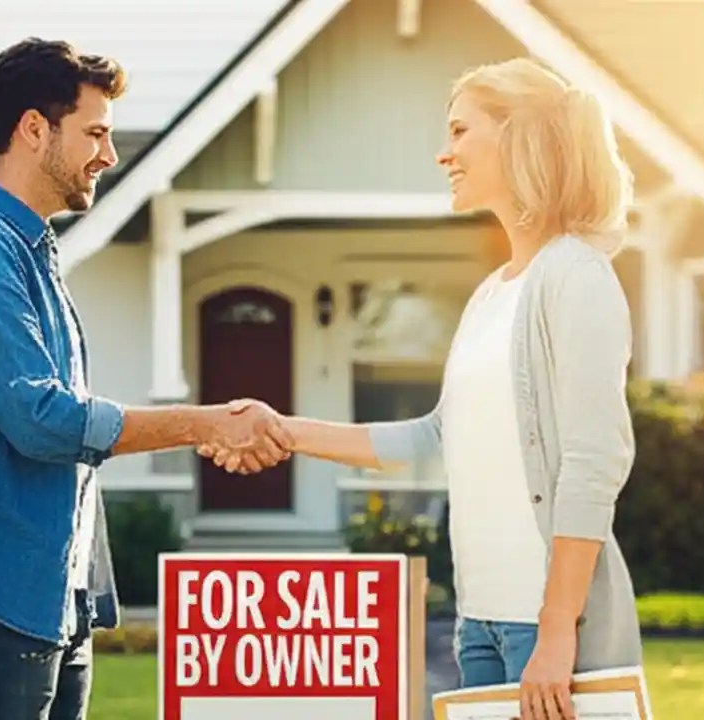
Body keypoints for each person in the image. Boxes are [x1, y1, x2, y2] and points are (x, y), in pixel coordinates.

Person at [201, 57, 641, 720]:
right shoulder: (493, 294)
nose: (445, 154)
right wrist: (282, 430)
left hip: (546, 631)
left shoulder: (575, 276)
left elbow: (594, 458)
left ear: (519, 138)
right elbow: (435, 436)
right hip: (482, 622)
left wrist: (556, 632)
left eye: (461, 132)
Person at [0, 38, 291, 720]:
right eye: (95, 133)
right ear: (32, 129)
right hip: (0, 596)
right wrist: (202, 423)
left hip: (58, 594)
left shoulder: (33, 250)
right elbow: (41, 420)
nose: (109, 156)